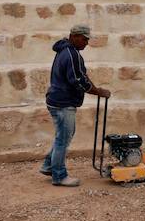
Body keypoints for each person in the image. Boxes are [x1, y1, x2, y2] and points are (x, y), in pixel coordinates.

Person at [41, 23, 111, 187]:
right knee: (63, 140)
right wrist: (98, 91)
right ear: (75, 36)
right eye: (85, 39)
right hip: (63, 103)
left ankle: (49, 165)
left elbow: (81, 77)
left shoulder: (65, 51)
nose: (86, 43)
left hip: (57, 100)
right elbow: (79, 81)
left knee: (62, 136)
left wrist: (95, 89)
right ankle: (59, 176)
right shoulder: (72, 55)